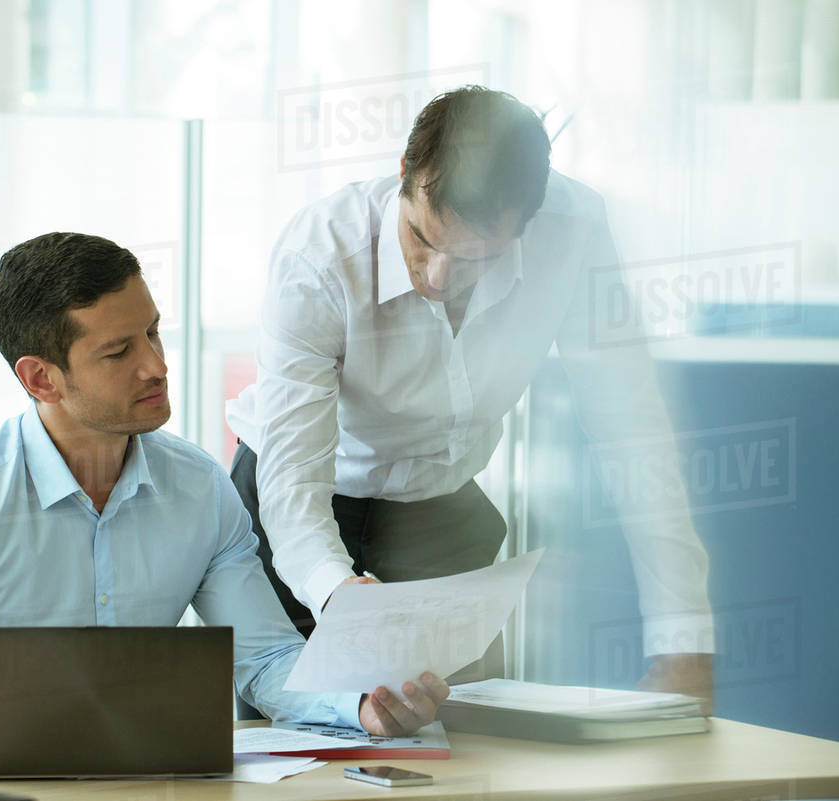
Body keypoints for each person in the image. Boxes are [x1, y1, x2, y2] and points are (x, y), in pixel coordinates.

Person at [0, 232, 448, 756]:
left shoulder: (198, 487)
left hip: (143, 779)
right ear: (41, 379)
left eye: (154, 332)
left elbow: (266, 660)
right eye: (118, 352)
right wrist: (3, 721)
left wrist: (357, 708)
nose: (156, 365)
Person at [227, 86, 715, 704]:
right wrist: (339, 593)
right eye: (423, 240)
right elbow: (294, 483)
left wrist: (684, 636)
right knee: (300, 736)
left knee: (466, 741)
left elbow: (634, 429)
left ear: (526, 224)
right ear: (406, 173)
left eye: (475, 259)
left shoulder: (573, 232)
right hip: (296, 500)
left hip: (439, 501)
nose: (437, 278)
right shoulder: (319, 253)